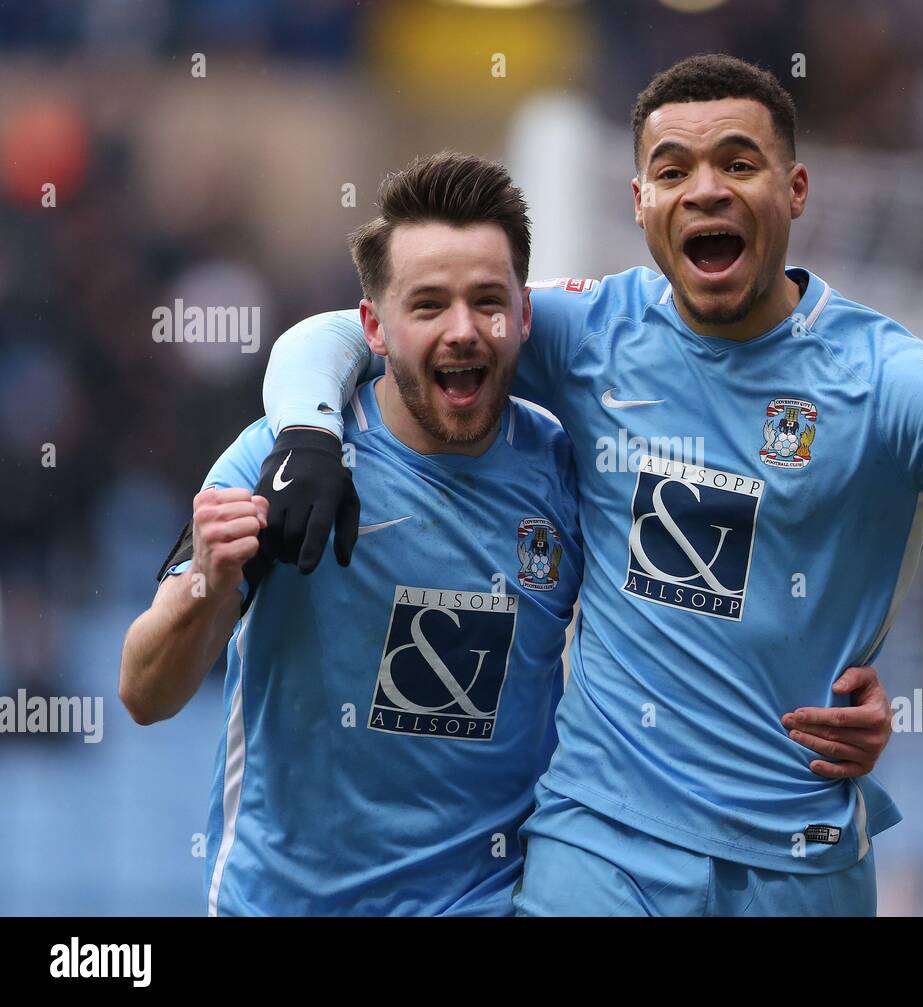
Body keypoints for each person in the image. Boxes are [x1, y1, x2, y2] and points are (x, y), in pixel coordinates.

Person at [254, 55, 923, 916]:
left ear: (795, 189)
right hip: (600, 841)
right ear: (642, 200)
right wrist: (308, 435)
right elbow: (338, 334)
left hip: (801, 855)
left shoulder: (893, 383)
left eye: (740, 161)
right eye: (674, 167)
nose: (706, 189)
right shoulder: (585, 331)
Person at [118, 152, 587, 915]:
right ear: (373, 325)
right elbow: (144, 690)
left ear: (525, 315)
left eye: (488, 302)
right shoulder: (280, 457)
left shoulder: (567, 475)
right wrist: (211, 580)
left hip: (487, 901)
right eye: (428, 304)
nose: (463, 330)